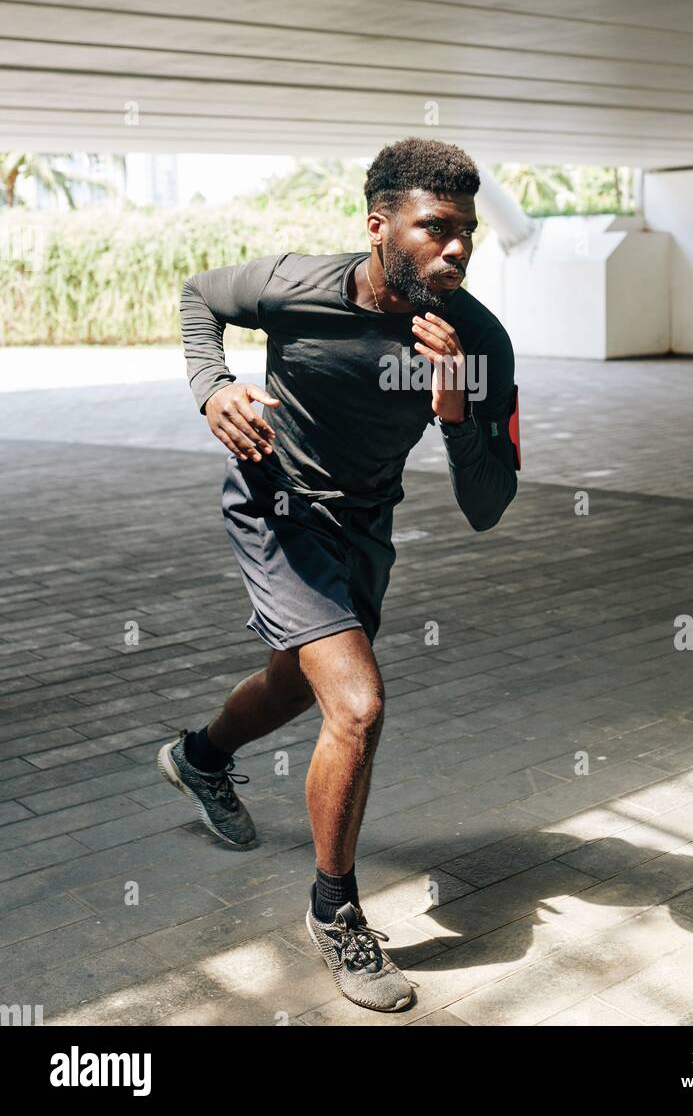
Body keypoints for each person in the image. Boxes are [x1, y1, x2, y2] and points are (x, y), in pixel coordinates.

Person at [159, 137, 520, 1012]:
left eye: (466, 231)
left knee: (297, 686)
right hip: (275, 504)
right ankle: (335, 911)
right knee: (355, 703)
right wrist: (215, 389)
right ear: (379, 226)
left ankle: (200, 758)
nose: (458, 248)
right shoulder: (295, 285)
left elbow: (487, 503)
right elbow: (198, 296)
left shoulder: (474, 337)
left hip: (364, 524)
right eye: (436, 228)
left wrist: (455, 412)